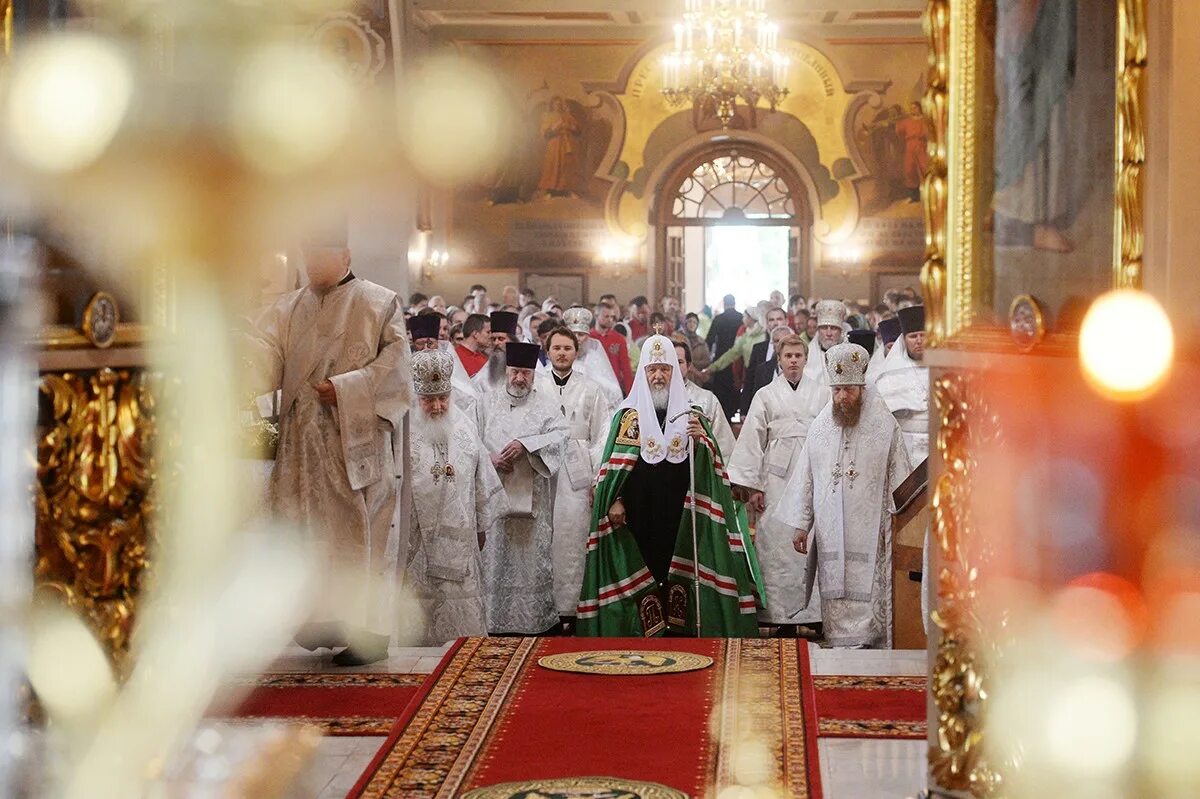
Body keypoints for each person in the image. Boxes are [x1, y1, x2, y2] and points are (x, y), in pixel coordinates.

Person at [244, 231, 410, 666]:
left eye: (321, 255)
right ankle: (323, 620)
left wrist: (346, 387)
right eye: (307, 256)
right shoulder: (287, 308)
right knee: (308, 533)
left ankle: (369, 634)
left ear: (346, 255)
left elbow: (397, 368)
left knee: (360, 534)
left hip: (354, 442)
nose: (312, 264)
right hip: (302, 443)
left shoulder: (379, 302)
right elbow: (263, 358)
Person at [576, 334, 762, 637]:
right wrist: (615, 499)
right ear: (643, 373)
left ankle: (678, 630)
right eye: (652, 369)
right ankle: (643, 630)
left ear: (675, 372)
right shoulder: (627, 415)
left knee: (677, 565)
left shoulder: (693, 414)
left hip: (681, 510)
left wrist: (701, 440)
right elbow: (612, 466)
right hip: (638, 510)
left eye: (665, 369)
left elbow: (712, 465)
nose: (659, 376)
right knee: (644, 563)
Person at [773, 343, 911, 648]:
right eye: (837, 390)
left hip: (874, 530)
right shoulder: (821, 427)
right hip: (830, 532)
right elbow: (806, 478)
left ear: (862, 387)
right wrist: (801, 525)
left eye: (849, 389)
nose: (842, 397)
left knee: (871, 590)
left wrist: (901, 523)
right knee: (835, 589)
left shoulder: (885, 426)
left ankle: (872, 641)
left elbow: (901, 477)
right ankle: (838, 641)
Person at [403, 350, 508, 645]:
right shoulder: (402, 431)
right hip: (416, 542)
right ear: (416, 396)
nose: (437, 406)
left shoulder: (464, 426)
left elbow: (480, 478)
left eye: (443, 398)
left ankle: (464, 652)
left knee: (460, 617)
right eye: (428, 399)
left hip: (461, 539)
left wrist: (482, 525)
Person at [729, 335, 830, 632]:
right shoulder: (765, 395)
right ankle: (780, 615)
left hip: (813, 474)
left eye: (798, 355)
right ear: (779, 360)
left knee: (813, 539)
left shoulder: (822, 393)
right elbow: (752, 441)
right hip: (775, 479)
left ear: (806, 358)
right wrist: (753, 487)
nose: (793, 361)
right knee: (777, 543)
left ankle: (815, 614)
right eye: (788, 356)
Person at [477, 342, 569, 634]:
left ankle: (531, 621)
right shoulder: (485, 402)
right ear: (506, 371)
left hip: (532, 505)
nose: (519, 378)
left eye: (525, 373)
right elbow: (468, 440)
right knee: (494, 558)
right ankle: (493, 621)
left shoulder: (546, 405)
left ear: (533, 374)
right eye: (515, 372)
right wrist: (489, 458)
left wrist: (527, 446)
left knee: (530, 561)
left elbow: (562, 435)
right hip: (494, 495)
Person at [536, 327, 614, 630]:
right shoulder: (536, 385)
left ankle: (572, 607)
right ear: (547, 351)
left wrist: (596, 478)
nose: (562, 353)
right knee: (544, 536)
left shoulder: (592, 388)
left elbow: (602, 435)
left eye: (567, 348)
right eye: (556, 348)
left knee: (573, 536)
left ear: (576, 352)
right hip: (543, 467)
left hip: (578, 472)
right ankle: (544, 608)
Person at [874, 305, 929, 464]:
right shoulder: (890, 375)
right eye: (913, 336)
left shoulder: (945, 369)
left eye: (923, 335)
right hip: (903, 448)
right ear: (904, 340)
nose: (919, 341)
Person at [675, 341, 736, 459]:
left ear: (689, 366)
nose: (675, 366)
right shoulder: (652, 400)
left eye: (679, 362)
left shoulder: (707, 399)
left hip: (697, 465)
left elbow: (724, 447)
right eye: (670, 361)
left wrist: (701, 438)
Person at [560, 307, 622, 405]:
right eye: (572, 334)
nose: (576, 338)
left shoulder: (595, 358)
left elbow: (614, 392)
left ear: (588, 337)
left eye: (581, 335)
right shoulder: (559, 358)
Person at [738, 306, 790, 416]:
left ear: (786, 321)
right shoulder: (758, 349)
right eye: (771, 320)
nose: (775, 323)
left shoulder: (798, 347)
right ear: (767, 323)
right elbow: (749, 380)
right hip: (763, 408)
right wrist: (744, 410)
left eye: (779, 319)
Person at [706, 294, 744, 419]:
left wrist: (709, 359)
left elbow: (710, 339)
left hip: (720, 357)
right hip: (738, 359)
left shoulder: (718, 319)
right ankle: (734, 412)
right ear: (734, 303)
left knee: (721, 391)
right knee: (735, 387)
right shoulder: (741, 318)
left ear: (724, 304)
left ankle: (722, 417)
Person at [590, 301, 634, 394]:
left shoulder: (619, 339)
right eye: (606, 316)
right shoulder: (588, 338)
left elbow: (626, 368)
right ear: (596, 315)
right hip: (593, 386)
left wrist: (630, 393)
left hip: (614, 388)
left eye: (612, 317)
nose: (610, 320)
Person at [472, 310, 520, 393]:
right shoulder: (482, 375)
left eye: (501, 339)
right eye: (493, 339)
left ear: (513, 341)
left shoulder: (526, 367)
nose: (496, 343)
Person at [803, 300, 847, 388]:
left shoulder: (848, 355)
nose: (828, 333)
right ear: (818, 330)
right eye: (824, 328)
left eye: (833, 328)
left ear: (840, 331)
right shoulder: (808, 356)